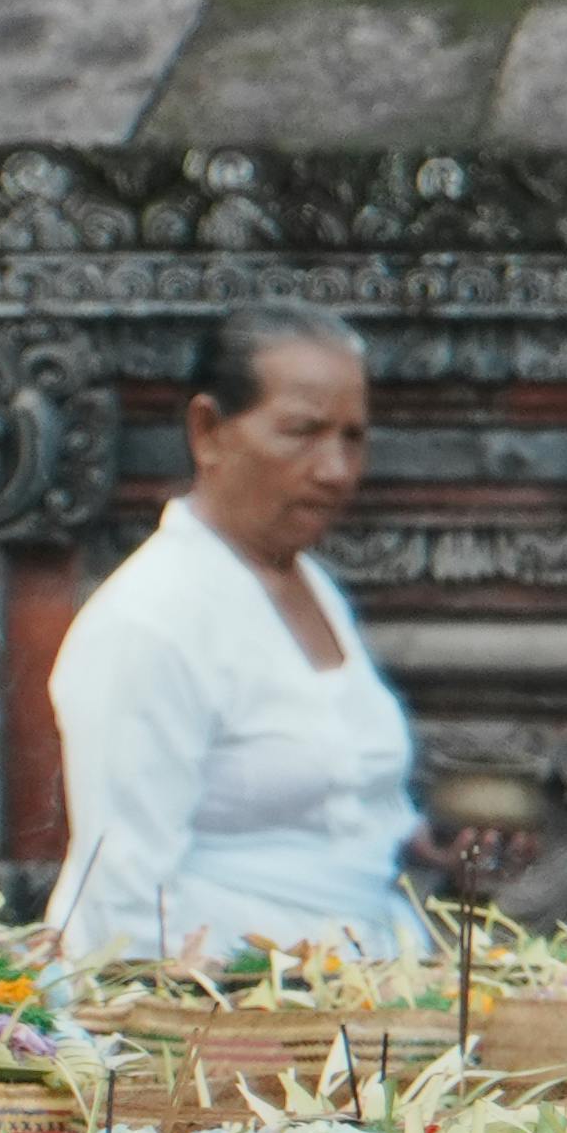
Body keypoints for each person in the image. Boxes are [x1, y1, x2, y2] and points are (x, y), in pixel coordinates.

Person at [45, 301, 431, 964]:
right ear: (208, 431)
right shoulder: (149, 620)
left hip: (367, 988)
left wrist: (423, 847)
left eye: (353, 437)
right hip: (228, 1012)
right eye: (302, 432)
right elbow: (122, 902)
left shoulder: (313, 588)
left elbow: (335, 813)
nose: (336, 469)